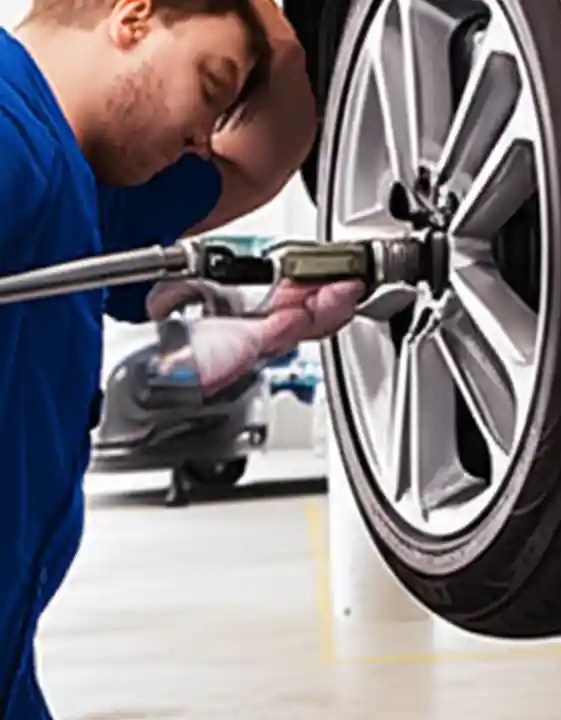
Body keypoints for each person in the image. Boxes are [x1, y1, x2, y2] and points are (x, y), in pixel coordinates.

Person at [0, 0, 361, 715]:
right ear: (133, 17)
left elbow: (259, 163)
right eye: (209, 82)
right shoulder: (10, 137)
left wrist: (262, 333)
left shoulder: (81, 184)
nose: (201, 135)